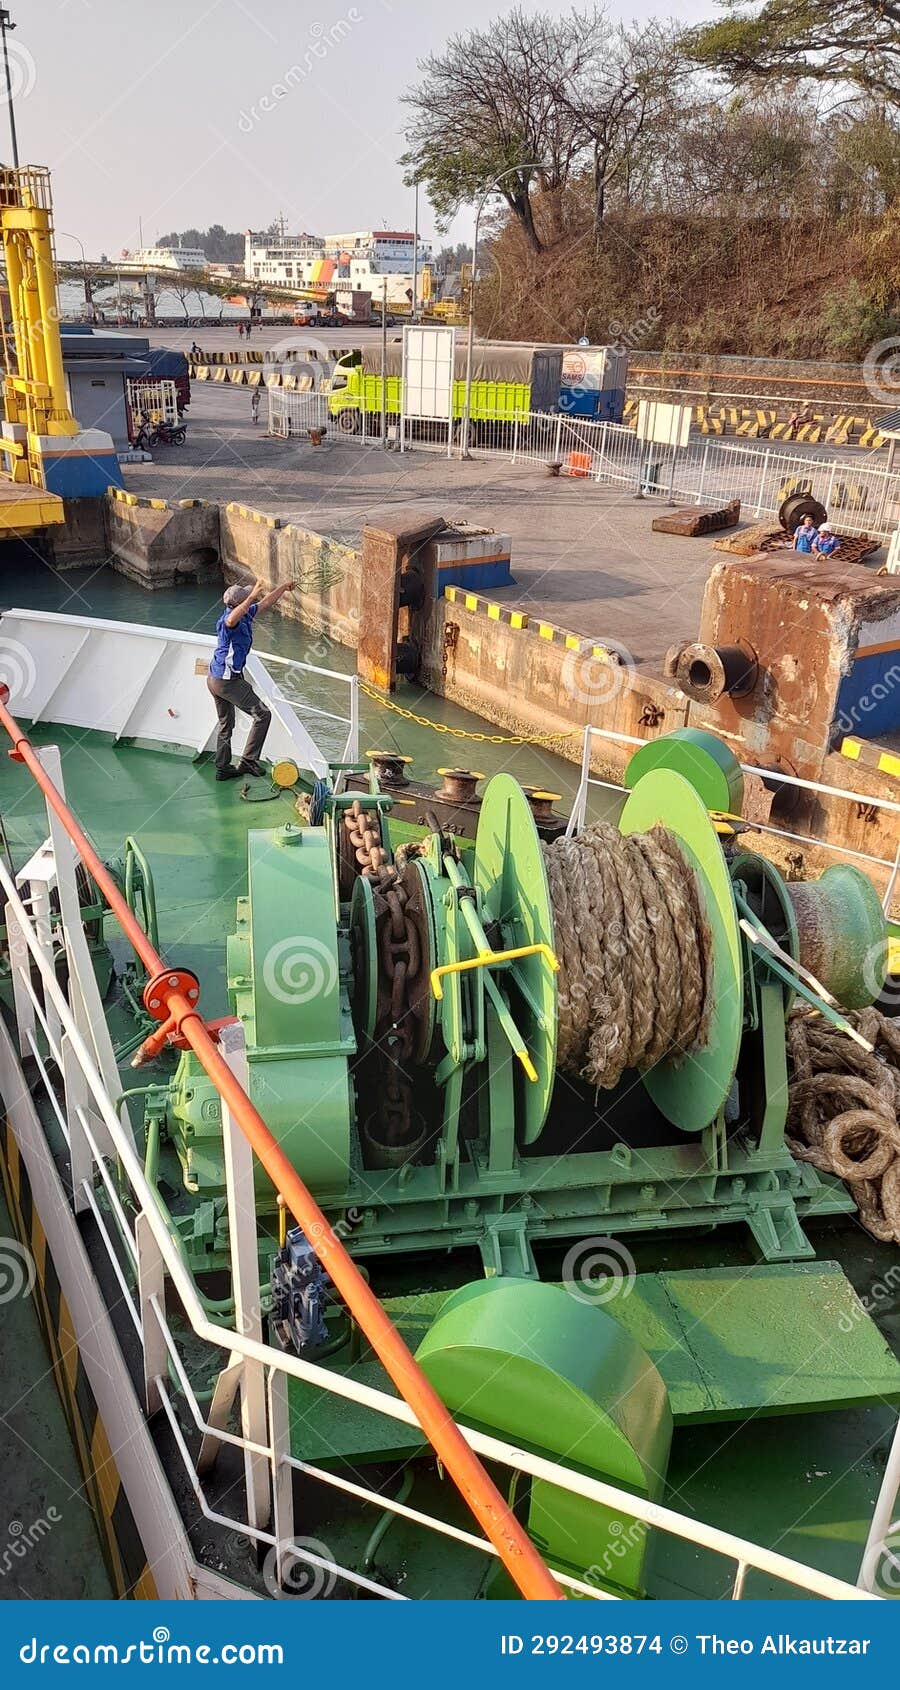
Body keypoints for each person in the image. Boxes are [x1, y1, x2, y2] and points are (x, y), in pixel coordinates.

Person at [207, 578, 296, 781]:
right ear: (239, 604)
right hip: (226, 681)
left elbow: (266, 603)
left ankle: (223, 767)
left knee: (225, 723)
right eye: (247, 599)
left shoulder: (246, 614)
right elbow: (231, 620)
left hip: (216, 678)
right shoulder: (228, 621)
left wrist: (283, 588)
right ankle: (248, 761)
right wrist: (252, 595)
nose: (252, 601)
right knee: (262, 715)